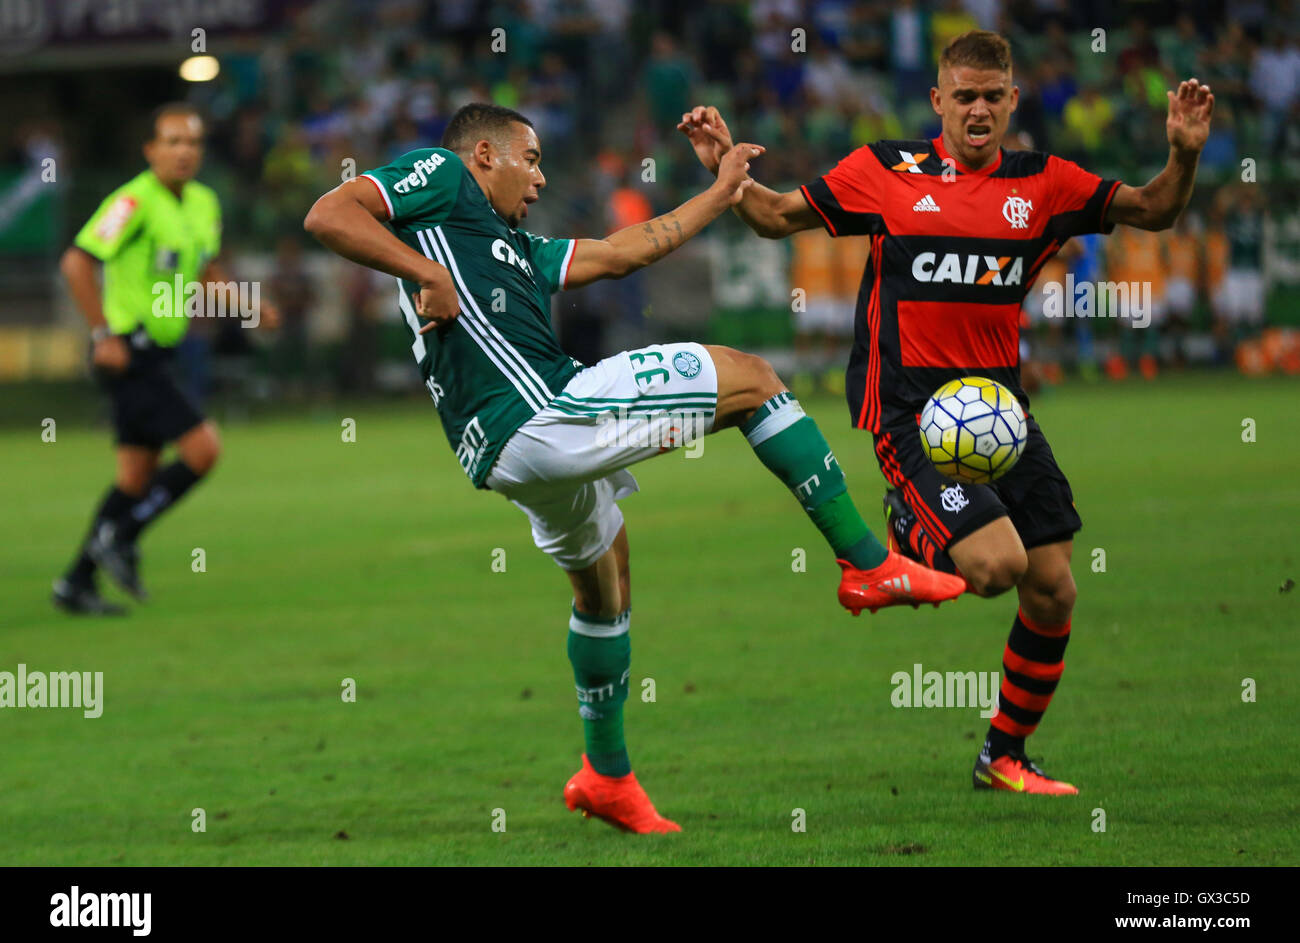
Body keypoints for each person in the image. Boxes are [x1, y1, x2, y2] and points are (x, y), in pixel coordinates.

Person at [304, 103, 965, 833]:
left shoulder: (509, 247)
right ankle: (867, 561)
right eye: (531, 157)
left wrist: (721, 192)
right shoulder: (441, 176)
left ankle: (607, 775)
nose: (542, 176)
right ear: (485, 155)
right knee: (752, 379)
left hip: (511, 451)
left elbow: (624, 252)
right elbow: (330, 213)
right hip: (539, 414)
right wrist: (425, 270)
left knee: (605, 581)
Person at [679, 29, 1214, 795]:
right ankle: (906, 526)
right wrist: (725, 168)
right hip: (908, 412)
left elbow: (1154, 210)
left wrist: (1184, 152)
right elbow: (772, 216)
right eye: (964, 96)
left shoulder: (1044, 183)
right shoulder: (883, 172)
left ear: (1012, 102)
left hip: (996, 413)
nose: (978, 110)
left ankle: (1003, 756)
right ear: (938, 101)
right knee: (996, 567)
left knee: (1054, 585)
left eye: (993, 97)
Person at [54, 103, 278, 615]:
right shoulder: (133, 201)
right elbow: (76, 262)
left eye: (193, 143)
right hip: (127, 353)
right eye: (172, 141)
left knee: (134, 478)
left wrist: (248, 307)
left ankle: (75, 583)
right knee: (203, 448)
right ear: (151, 150)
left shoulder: (203, 203)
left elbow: (206, 272)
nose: (184, 152)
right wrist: (102, 333)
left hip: (160, 353)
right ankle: (121, 537)